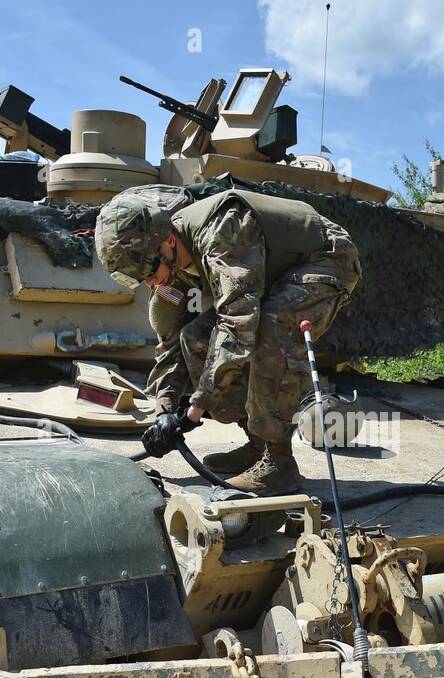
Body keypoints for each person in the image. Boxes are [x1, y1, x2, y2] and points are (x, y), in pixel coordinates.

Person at [95, 184, 361, 494]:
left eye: (152, 271)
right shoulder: (168, 269)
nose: (152, 282)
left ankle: (279, 465)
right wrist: (164, 412)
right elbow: (170, 342)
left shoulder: (223, 230)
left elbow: (238, 323)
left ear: (168, 240)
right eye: (141, 280)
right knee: (195, 337)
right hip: (271, 276)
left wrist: (195, 409)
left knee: (271, 329)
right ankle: (258, 446)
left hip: (326, 258)